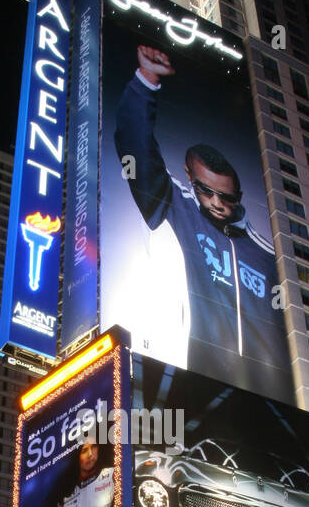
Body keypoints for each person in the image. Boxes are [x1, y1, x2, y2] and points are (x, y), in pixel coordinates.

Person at [114, 44, 290, 398]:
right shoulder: (174, 207)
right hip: (189, 388)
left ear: (238, 195)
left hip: (268, 403)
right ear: (189, 178)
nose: (216, 203)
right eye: (206, 191)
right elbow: (134, 144)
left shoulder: (268, 257)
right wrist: (146, 80)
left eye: (227, 197)